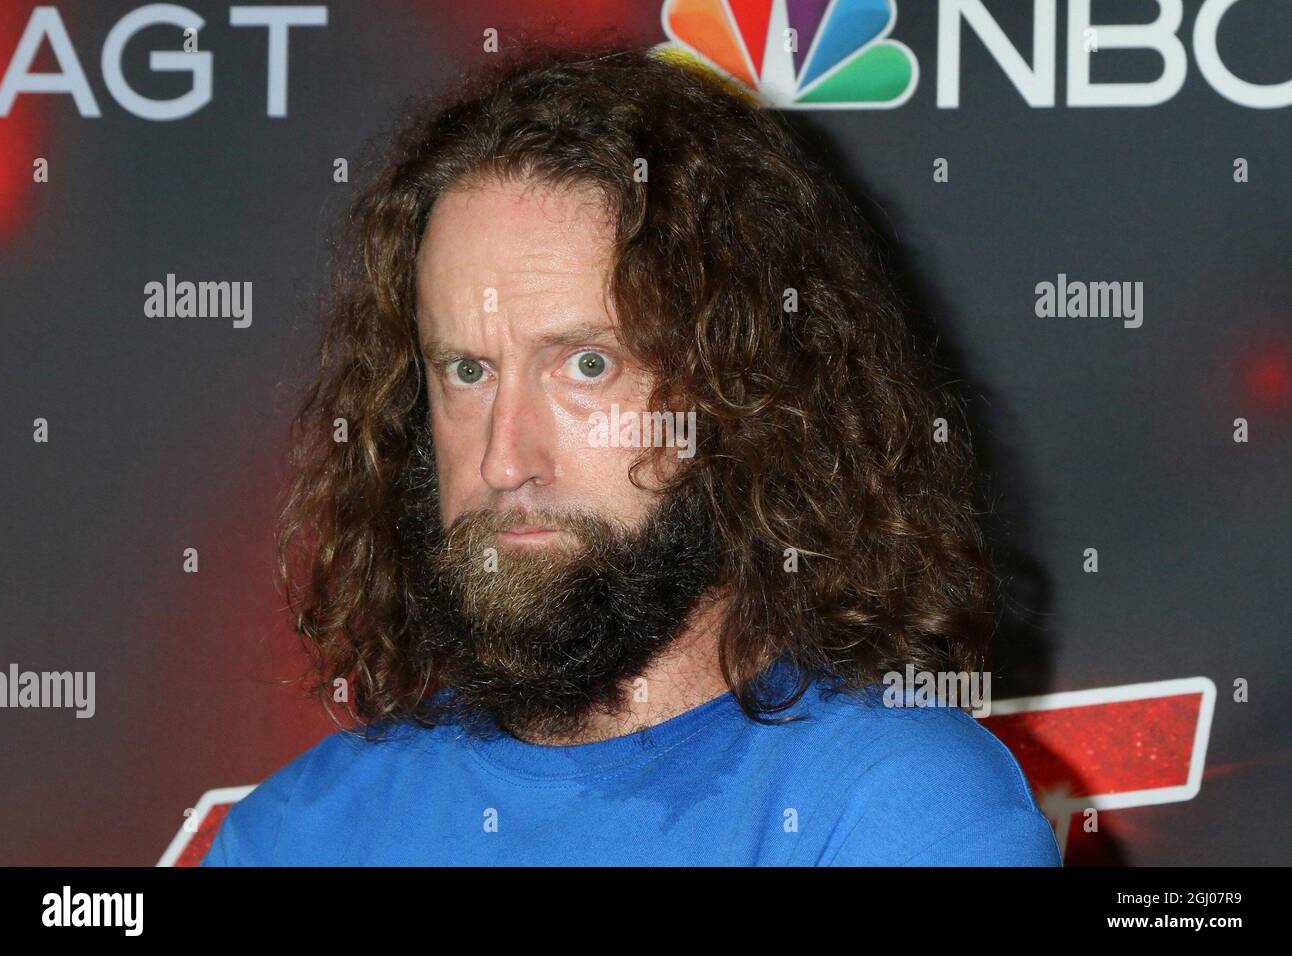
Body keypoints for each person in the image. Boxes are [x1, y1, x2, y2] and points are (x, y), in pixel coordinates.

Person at [201, 45, 1061, 866]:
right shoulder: (295, 835)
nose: (506, 460)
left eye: (585, 365)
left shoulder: (897, 809)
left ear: (736, 387)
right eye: (467, 371)